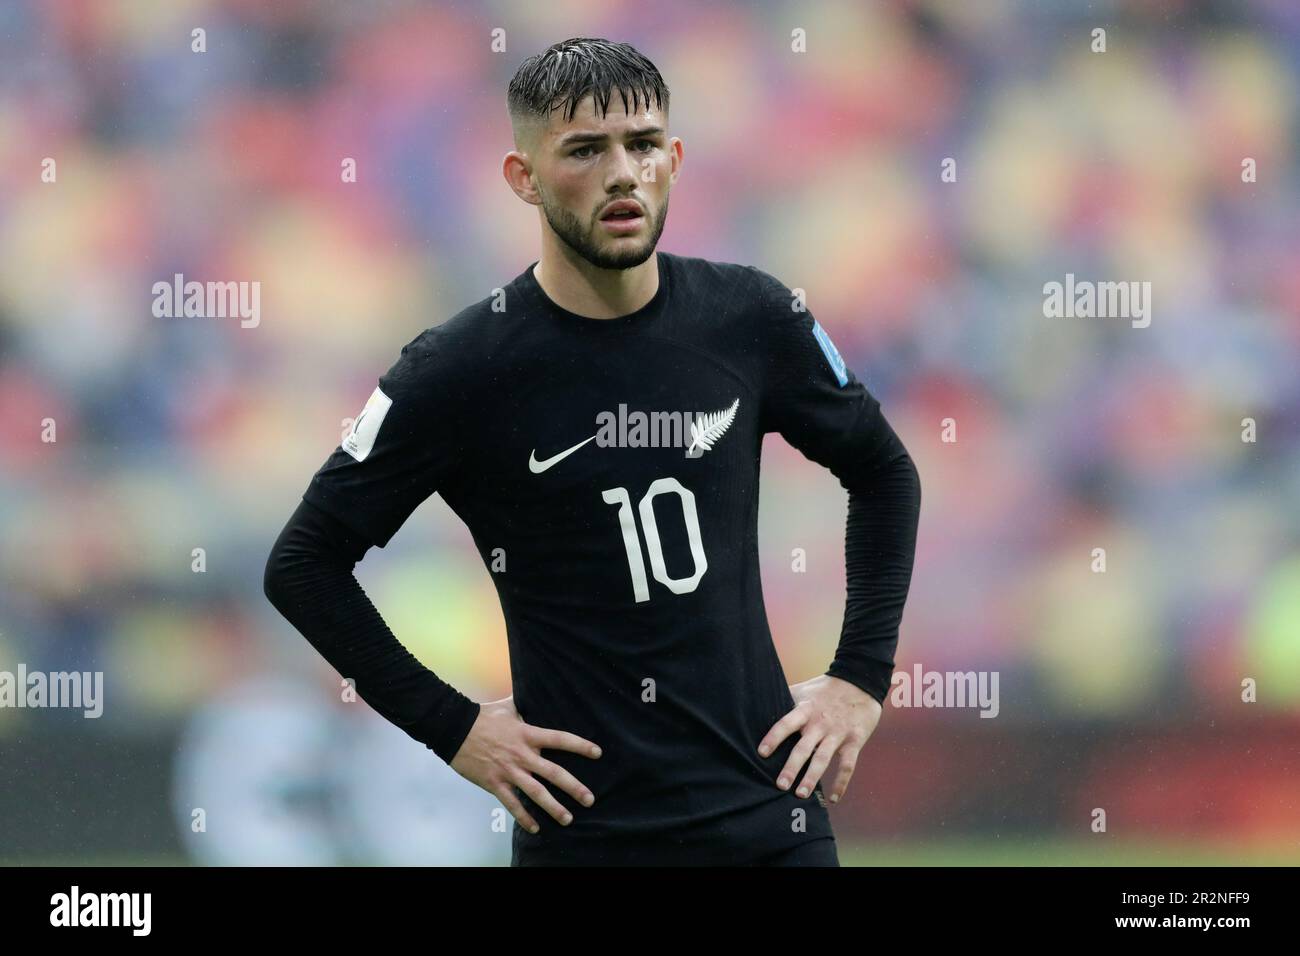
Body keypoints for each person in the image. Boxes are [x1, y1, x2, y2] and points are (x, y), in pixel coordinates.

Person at [264, 36, 921, 867]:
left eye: (643, 145)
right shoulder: (459, 368)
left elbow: (884, 471)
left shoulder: (750, 318)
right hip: (588, 840)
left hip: (769, 824)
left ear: (674, 159)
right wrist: (455, 729)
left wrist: (860, 677)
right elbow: (303, 564)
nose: (623, 173)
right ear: (523, 178)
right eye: (584, 150)